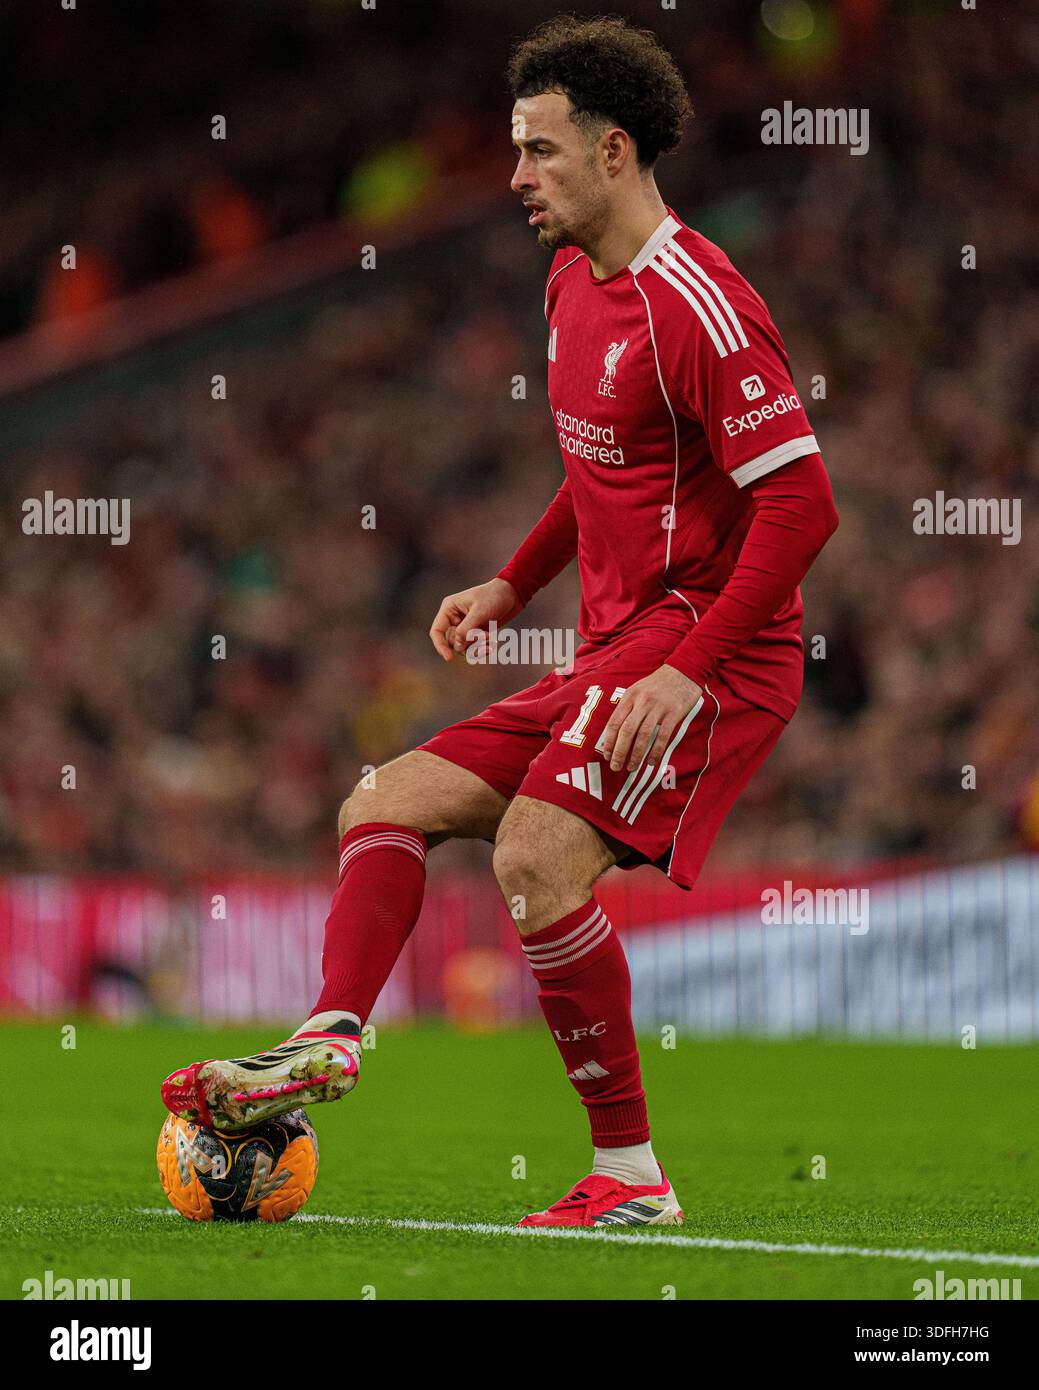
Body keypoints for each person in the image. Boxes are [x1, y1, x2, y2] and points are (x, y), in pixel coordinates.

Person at [161, 14, 838, 1229]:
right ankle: (328, 1038)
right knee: (381, 801)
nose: (515, 175)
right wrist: (513, 584)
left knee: (533, 857)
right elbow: (599, 469)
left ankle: (629, 1178)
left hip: (715, 653)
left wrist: (687, 670)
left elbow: (802, 506)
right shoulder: (570, 281)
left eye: (537, 150)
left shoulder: (702, 303)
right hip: (616, 644)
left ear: (615, 151)